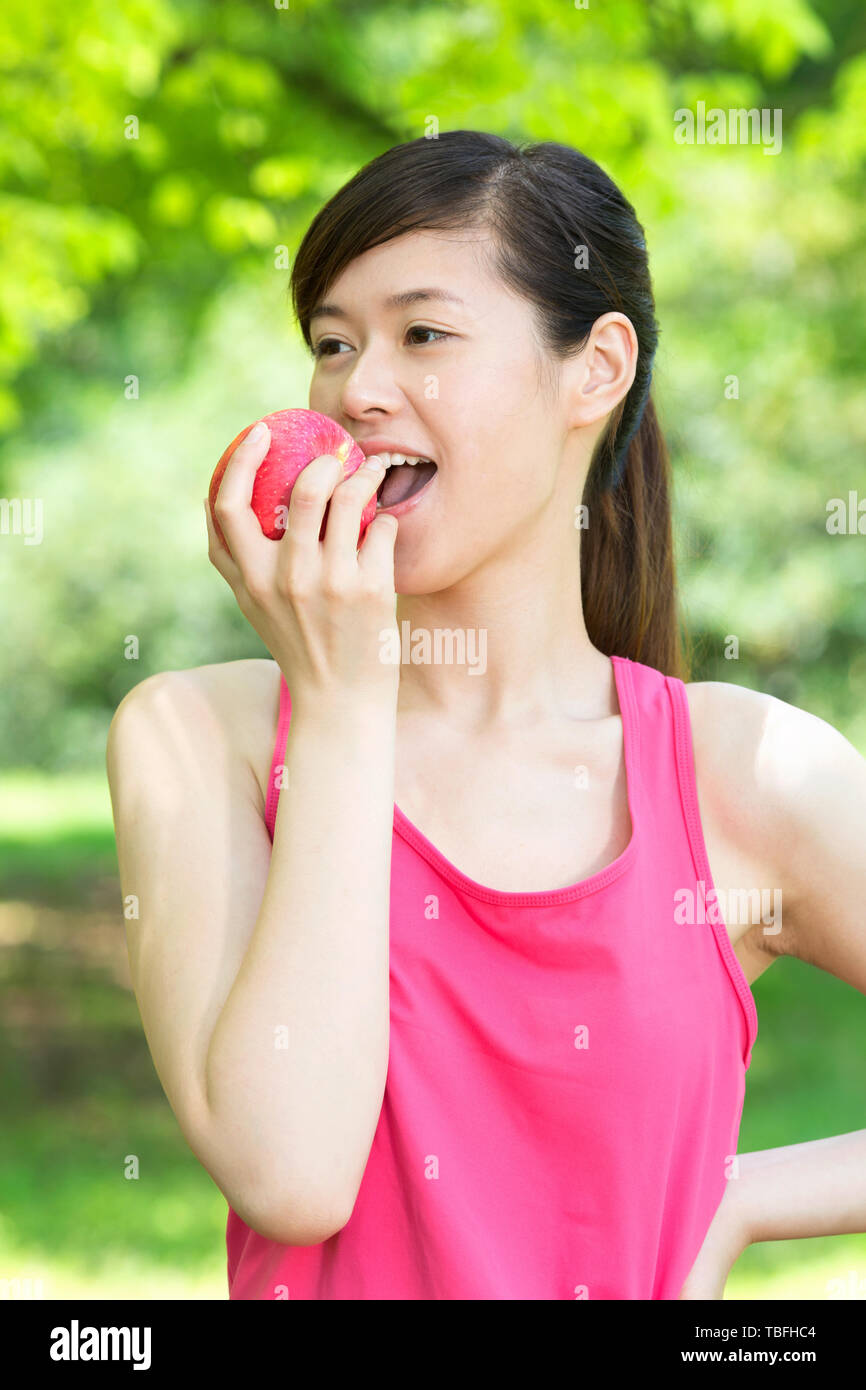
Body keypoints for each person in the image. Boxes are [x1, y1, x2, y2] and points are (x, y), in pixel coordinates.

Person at [106, 130, 866, 1300]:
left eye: (422, 334)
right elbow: (291, 1173)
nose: (356, 389)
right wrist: (342, 701)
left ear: (594, 371)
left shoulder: (740, 770)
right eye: (331, 343)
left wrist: (743, 1197)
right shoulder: (196, 738)